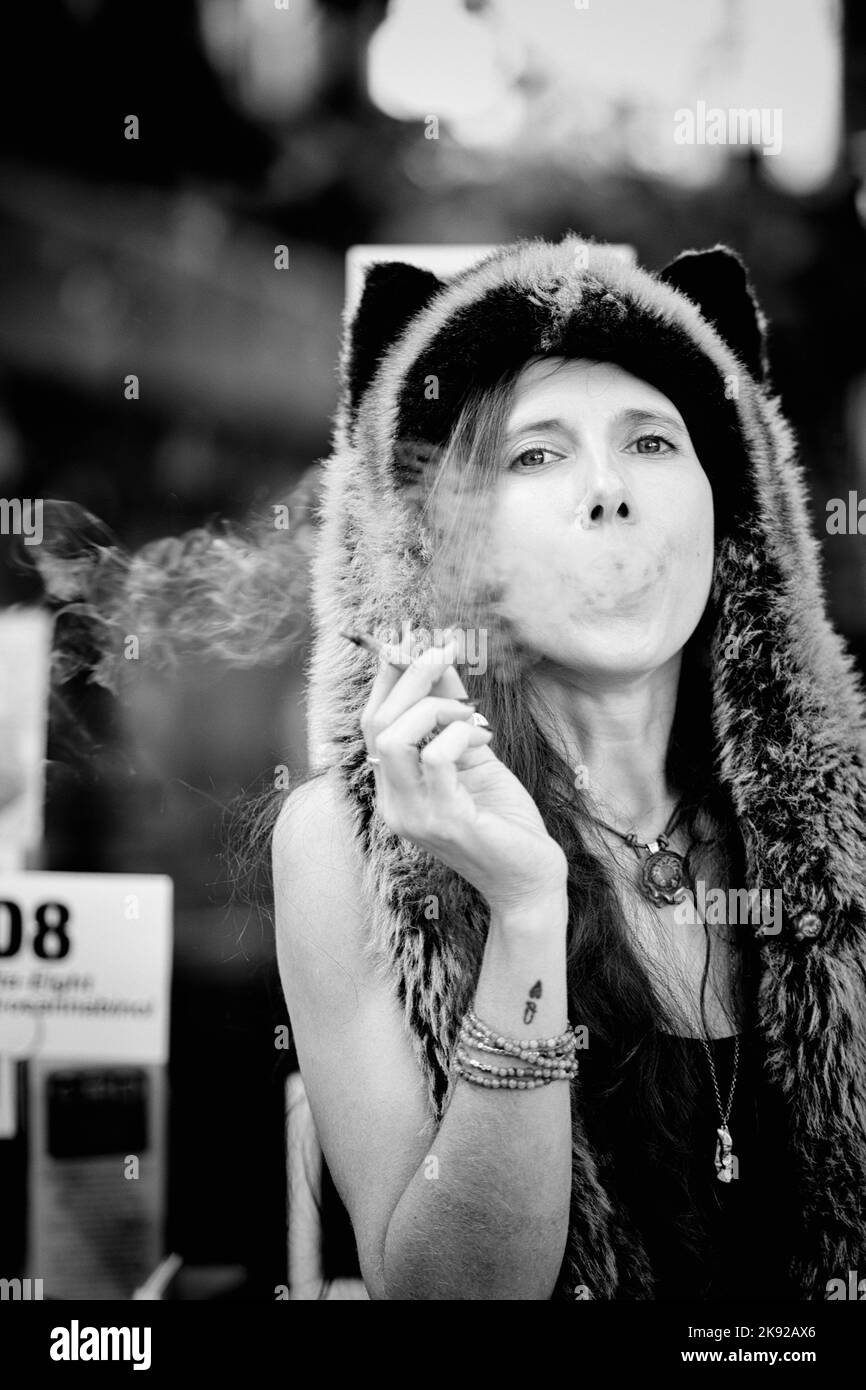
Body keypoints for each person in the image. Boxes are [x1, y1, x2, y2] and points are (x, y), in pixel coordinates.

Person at [273, 237, 866, 1301]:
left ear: (726, 512)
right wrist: (523, 907)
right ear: (446, 546)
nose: (607, 490)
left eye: (650, 441)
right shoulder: (344, 848)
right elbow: (449, 1294)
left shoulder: (849, 823)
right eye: (534, 455)